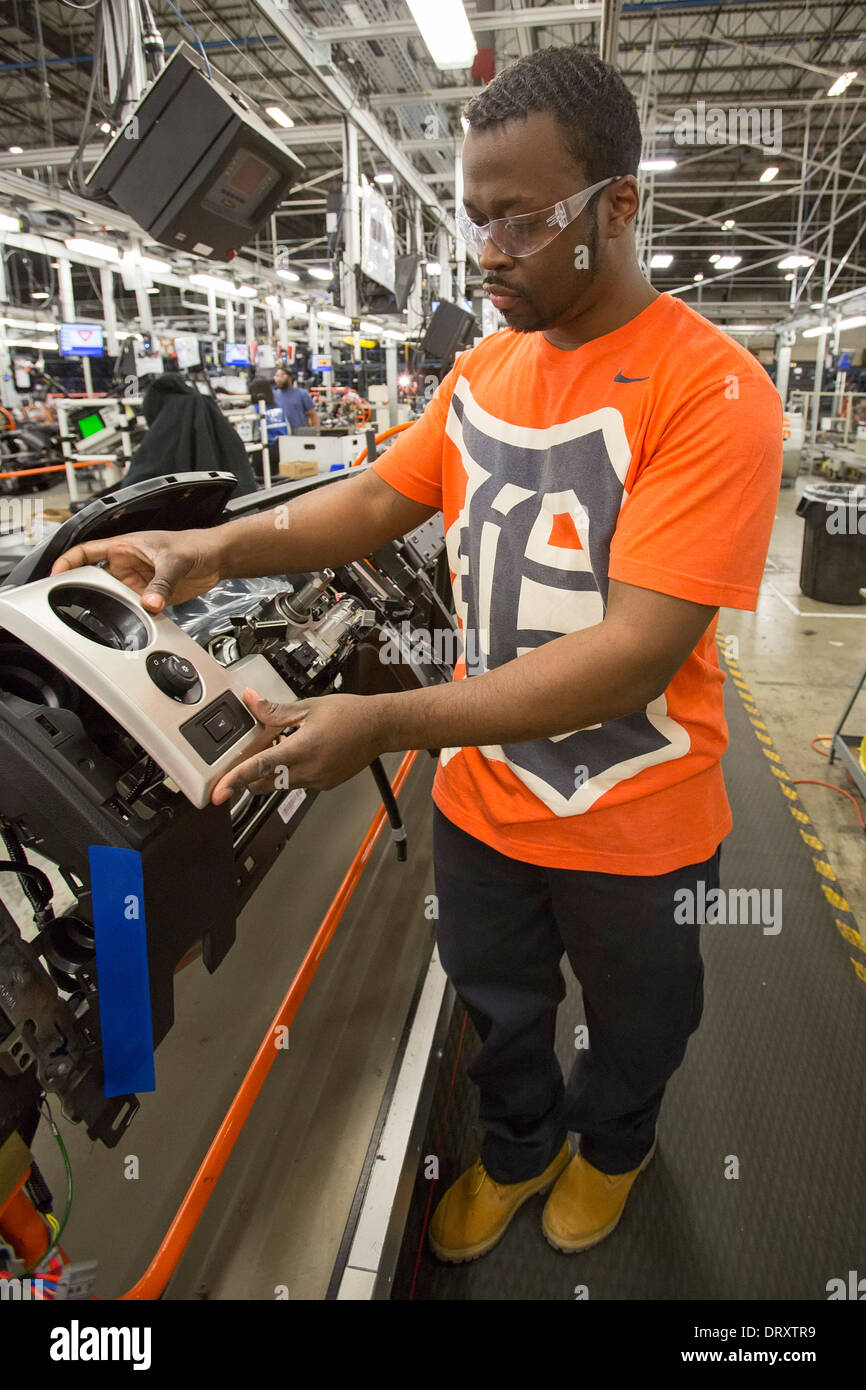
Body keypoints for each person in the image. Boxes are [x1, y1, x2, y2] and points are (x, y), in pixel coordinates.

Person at [51, 46, 782, 1266]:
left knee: (639, 1017)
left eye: (520, 220)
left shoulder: (711, 395)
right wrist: (212, 550)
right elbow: (377, 500)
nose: (489, 251)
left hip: (637, 814)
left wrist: (388, 724)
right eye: (474, 219)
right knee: (498, 1009)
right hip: (489, 803)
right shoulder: (485, 368)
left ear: (617, 205)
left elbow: (631, 659)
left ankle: (614, 1147)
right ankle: (515, 1146)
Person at [271, 365, 320, 433]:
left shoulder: (302, 394)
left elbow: (313, 414)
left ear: (290, 377)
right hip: (281, 435)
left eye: (281, 376)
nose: (278, 379)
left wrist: (317, 431)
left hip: (300, 433)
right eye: (276, 376)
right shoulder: (274, 395)